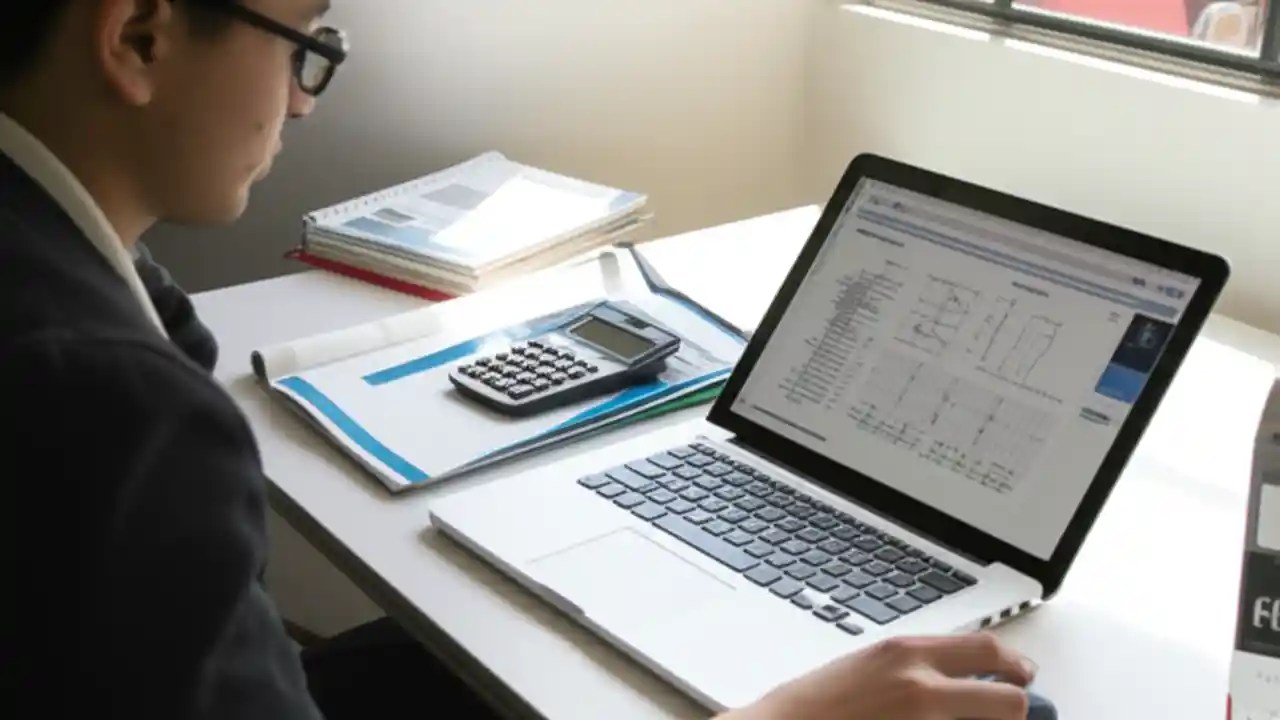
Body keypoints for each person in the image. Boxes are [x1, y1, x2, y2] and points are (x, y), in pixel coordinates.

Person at [0, 1, 1041, 718]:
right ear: (136, 36)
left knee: (461, 662)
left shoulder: (70, 277)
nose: (305, 101)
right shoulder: (100, 398)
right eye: (302, 43)